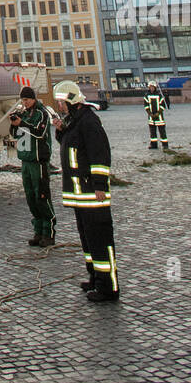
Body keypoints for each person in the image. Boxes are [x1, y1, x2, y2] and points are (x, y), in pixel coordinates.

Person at [54, 80, 119, 304]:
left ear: (72, 101)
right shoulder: (74, 122)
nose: (59, 106)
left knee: (100, 241)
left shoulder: (89, 122)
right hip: (80, 194)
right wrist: (60, 131)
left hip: (92, 194)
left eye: (61, 102)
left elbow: (100, 154)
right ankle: (94, 277)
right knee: (88, 240)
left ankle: (108, 287)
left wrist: (100, 185)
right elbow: (72, 148)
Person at [9, 87, 56, 248]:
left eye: (27, 100)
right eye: (23, 100)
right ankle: (38, 231)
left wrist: (22, 123)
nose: (25, 103)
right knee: (31, 198)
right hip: (26, 161)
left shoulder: (41, 113)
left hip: (39, 161)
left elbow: (39, 132)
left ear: (33, 99)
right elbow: (15, 134)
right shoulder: (24, 113)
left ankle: (48, 232)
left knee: (42, 196)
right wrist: (15, 123)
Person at [143, 81, 170, 151]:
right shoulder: (147, 95)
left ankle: (165, 145)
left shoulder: (159, 95)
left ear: (155, 87)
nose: (151, 88)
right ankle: (154, 145)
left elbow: (163, 105)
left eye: (153, 87)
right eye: (150, 87)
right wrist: (149, 113)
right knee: (152, 133)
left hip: (159, 117)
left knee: (162, 132)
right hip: (151, 118)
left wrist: (158, 113)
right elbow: (146, 106)